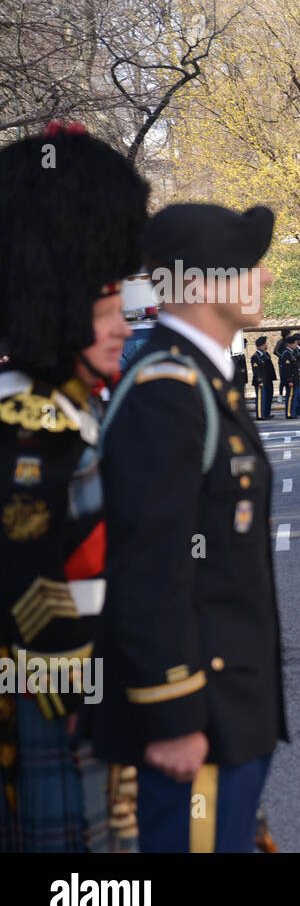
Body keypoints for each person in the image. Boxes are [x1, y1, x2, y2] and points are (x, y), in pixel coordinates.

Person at [92, 202, 288, 852]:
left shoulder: (204, 380)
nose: (262, 278)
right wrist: (173, 715)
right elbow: (149, 567)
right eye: (247, 266)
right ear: (199, 285)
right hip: (196, 719)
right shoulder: (167, 390)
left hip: (232, 712)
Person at [0, 122, 150, 853]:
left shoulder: (67, 405)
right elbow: (32, 587)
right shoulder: (32, 420)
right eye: (109, 306)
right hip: (57, 706)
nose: (126, 325)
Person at [250, 335, 276, 421]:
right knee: (261, 399)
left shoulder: (266, 354)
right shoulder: (255, 357)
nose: (266, 345)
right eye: (265, 344)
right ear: (260, 345)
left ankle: (267, 413)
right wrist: (260, 381)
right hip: (261, 381)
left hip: (268, 380)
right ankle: (260, 415)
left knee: (268, 398)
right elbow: (256, 370)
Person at [278, 333, 300, 419]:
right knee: (290, 397)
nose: (296, 345)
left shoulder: (292, 352)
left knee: (293, 396)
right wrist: (289, 380)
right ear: (289, 344)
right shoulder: (286, 354)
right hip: (290, 379)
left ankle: (293, 412)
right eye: (294, 343)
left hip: (294, 378)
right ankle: (289, 413)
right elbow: (287, 369)